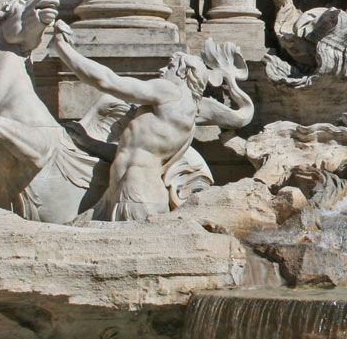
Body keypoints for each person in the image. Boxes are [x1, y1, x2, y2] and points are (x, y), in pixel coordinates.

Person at [49, 23, 254, 222]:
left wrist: (63, 48)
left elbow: (107, 81)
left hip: (138, 194)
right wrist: (89, 143)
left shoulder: (170, 92)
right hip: (125, 192)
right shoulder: (192, 110)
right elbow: (130, 153)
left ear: (183, 72)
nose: (163, 68)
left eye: (171, 66)